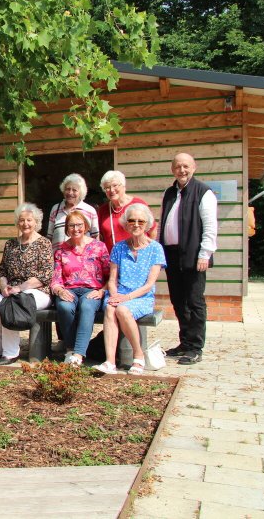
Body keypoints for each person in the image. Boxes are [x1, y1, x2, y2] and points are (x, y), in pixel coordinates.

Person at [158, 153, 217, 365]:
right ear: (172, 170)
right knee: (178, 301)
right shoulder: (169, 193)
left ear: (194, 167)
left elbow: (210, 227)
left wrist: (205, 254)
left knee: (194, 302)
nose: (182, 170)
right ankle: (185, 342)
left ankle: (195, 347)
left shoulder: (204, 192)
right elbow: (163, 224)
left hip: (193, 255)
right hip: (172, 255)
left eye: (186, 166)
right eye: (178, 167)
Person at [94, 205, 166, 375]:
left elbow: (149, 285)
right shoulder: (118, 247)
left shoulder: (155, 249)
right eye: (131, 220)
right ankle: (110, 361)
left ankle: (138, 355)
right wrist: (114, 295)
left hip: (141, 297)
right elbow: (112, 280)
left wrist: (125, 298)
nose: (136, 224)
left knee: (122, 309)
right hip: (119, 295)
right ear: (125, 224)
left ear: (147, 224)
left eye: (140, 221)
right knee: (111, 308)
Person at [0, 203, 53, 366]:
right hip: (12, 288)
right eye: (21, 220)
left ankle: (10, 353)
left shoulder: (44, 244)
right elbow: (2, 270)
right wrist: (4, 285)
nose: (25, 224)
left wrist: (20, 288)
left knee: (11, 305)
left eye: (29, 220)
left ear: (36, 222)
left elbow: (45, 275)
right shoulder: (10, 244)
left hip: (38, 291)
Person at [50, 211, 110, 366]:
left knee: (87, 306)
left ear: (86, 226)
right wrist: (60, 291)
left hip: (92, 290)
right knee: (63, 307)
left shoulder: (99, 247)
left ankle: (78, 355)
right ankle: (69, 350)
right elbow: (55, 278)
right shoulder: (61, 250)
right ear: (66, 229)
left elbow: (111, 275)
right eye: (71, 225)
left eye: (79, 225)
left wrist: (102, 291)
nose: (75, 228)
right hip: (68, 290)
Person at [97, 170, 157, 252]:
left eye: (115, 185)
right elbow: (100, 238)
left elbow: (152, 231)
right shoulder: (103, 210)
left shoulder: (138, 204)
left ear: (123, 186)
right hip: (113, 259)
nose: (111, 190)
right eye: (107, 187)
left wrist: (148, 252)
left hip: (138, 257)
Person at [47, 173, 100, 251]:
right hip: (58, 259)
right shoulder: (55, 209)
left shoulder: (90, 210)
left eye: (74, 190)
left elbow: (96, 238)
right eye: (67, 189)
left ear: (81, 192)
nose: (70, 193)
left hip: (82, 259)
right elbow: (49, 236)